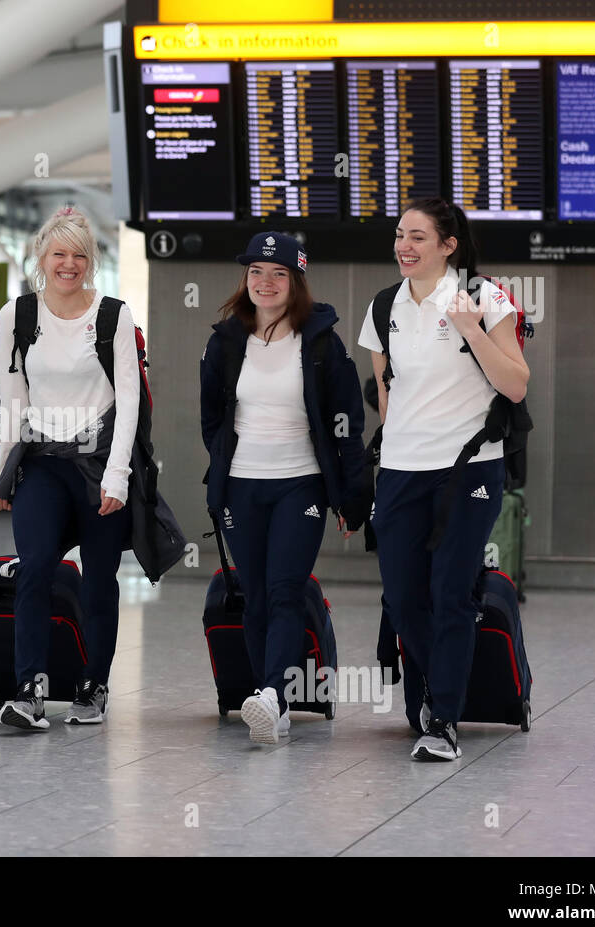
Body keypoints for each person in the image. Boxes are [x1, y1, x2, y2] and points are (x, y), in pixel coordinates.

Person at [358, 197, 529, 762]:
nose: (404, 246)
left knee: (450, 593)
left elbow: (517, 385)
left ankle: (444, 719)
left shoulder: (483, 297)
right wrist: (404, 441)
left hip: (469, 469)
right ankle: (432, 697)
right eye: (399, 235)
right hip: (403, 470)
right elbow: (386, 393)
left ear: (448, 245)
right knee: (405, 600)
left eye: (418, 237)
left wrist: (472, 331)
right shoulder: (385, 307)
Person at [199, 232, 370, 744]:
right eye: (255, 272)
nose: (265, 282)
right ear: (245, 279)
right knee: (254, 596)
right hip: (241, 487)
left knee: (285, 590)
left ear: (295, 281)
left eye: (277, 274)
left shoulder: (321, 340)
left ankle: (273, 695)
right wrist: (226, 464)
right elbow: (212, 418)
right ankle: (269, 697)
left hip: (302, 484)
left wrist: (351, 491)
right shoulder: (226, 341)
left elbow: (347, 420)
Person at [0, 207, 140, 730]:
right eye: (59, 254)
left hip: (99, 462)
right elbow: (12, 398)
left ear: (90, 262)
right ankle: (29, 689)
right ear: (41, 258)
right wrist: (3, 471)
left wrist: (118, 475)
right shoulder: (17, 315)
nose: (68, 264)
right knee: (33, 568)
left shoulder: (114, 315)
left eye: (79, 255)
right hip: (43, 461)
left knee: (99, 578)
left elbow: (130, 401)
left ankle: (93, 685)